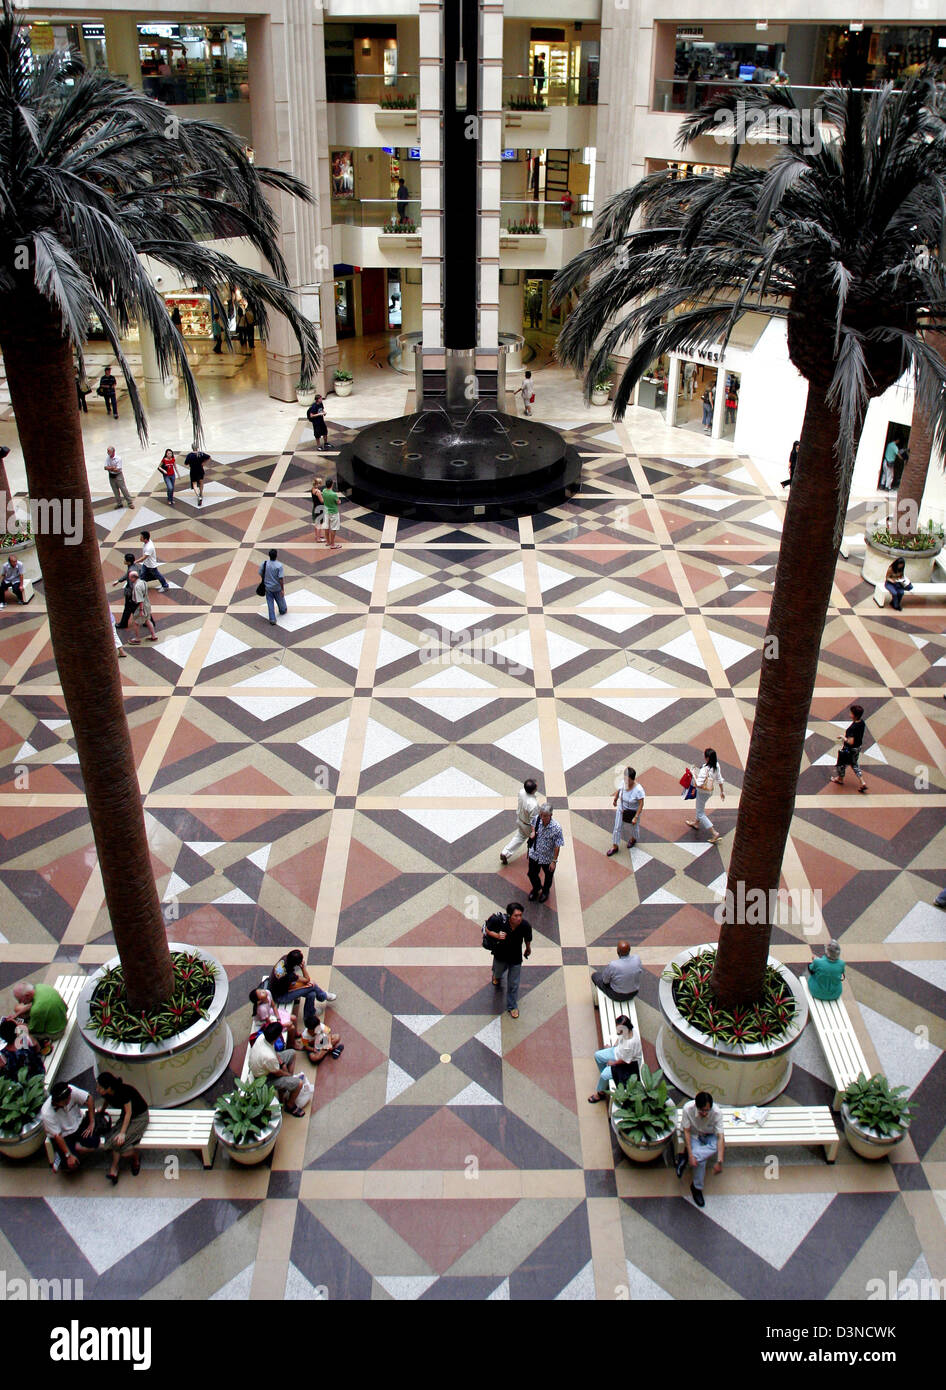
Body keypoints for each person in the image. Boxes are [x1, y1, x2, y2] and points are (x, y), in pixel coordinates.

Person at [96, 1072, 149, 1184]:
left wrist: (123, 1133)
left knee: (121, 1143)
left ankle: (134, 1157)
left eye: (100, 1087)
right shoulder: (106, 1093)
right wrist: (102, 1110)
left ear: (108, 1087)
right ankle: (114, 1168)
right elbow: (106, 1100)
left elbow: (128, 1113)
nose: (97, 1089)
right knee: (115, 1141)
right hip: (125, 1116)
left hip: (139, 1117)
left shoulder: (123, 1092)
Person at [675, 1090, 725, 1207]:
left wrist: (720, 1161)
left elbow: (720, 1137)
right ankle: (697, 1187)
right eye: (702, 1110)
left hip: (709, 1134)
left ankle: (686, 1156)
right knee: (701, 1161)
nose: (704, 1113)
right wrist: (693, 1155)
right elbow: (686, 1131)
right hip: (694, 1134)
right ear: (696, 1106)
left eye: (707, 1110)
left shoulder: (717, 1113)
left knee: (715, 1145)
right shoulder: (688, 1109)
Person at [268, 949, 336, 1033]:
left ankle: (309, 1015)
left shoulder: (284, 959)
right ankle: (323, 996)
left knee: (311, 994)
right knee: (312, 986)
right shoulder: (288, 975)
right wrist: (303, 967)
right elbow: (307, 979)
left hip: (280, 987)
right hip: (281, 996)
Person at [484, 902, 532, 1020]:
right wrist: (497, 935)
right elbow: (487, 929)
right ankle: (496, 976)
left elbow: (527, 938)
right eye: (516, 916)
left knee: (513, 983)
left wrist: (528, 949)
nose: (519, 918)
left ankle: (512, 1006)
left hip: (515, 957)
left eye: (520, 915)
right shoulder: (500, 922)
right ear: (510, 915)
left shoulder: (525, 925)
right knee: (498, 972)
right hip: (501, 955)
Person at [248, 1022, 306, 1116]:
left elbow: (274, 1053)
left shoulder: (262, 1037)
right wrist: (289, 1075)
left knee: (292, 1053)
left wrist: (282, 1063)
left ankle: (287, 1086)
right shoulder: (269, 1057)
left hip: (265, 1066)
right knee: (299, 1083)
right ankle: (290, 1105)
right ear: (277, 1036)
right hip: (264, 1080)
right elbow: (277, 1073)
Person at [41, 1081, 101, 1172]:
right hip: (63, 1136)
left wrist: (92, 1122)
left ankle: (77, 1148)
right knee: (71, 1166)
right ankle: (60, 1154)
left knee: (95, 1142)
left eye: (69, 1098)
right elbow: (58, 1136)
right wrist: (68, 1155)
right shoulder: (47, 1113)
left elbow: (89, 1099)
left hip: (78, 1125)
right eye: (66, 1101)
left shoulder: (72, 1091)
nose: (69, 1100)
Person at [588, 1015, 642, 1103]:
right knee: (598, 1056)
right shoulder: (626, 1031)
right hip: (618, 1053)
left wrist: (613, 1063)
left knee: (604, 1075)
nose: (617, 1030)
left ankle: (600, 1093)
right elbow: (619, 1039)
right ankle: (605, 1081)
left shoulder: (631, 1043)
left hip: (627, 1065)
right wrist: (613, 1046)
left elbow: (626, 1061)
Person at [685, 748, 725, 845]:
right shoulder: (717, 765)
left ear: (707, 758)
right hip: (709, 791)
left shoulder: (704, 770)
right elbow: (719, 779)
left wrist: (693, 773)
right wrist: (722, 791)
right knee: (700, 807)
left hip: (702, 792)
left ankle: (714, 833)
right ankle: (696, 823)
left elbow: (698, 784)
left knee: (700, 813)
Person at [12, 981, 67, 1050]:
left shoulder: (37, 1010)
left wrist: (18, 1024)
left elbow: (33, 1029)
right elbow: (32, 1005)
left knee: (21, 1033)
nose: (20, 1002)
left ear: (27, 995)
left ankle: (38, 1048)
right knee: (17, 1008)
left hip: (57, 1031)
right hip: (61, 1016)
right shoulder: (39, 986)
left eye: (20, 1000)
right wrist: (17, 1014)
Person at [527, 803, 564, 903]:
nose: (542, 818)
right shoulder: (537, 818)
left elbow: (558, 845)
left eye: (545, 816)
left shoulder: (556, 828)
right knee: (531, 874)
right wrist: (533, 831)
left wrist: (554, 861)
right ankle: (537, 887)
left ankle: (545, 891)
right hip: (534, 854)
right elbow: (532, 824)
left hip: (547, 857)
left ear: (551, 815)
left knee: (548, 876)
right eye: (541, 815)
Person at [500, 776, 541, 865]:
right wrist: (534, 832)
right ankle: (535, 857)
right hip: (528, 825)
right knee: (536, 840)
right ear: (534, 790)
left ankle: (505, 852)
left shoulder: (521, 792)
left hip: (520, 820)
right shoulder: (533, 805)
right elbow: (534, 821)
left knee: (519, 836)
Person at [830, 702, 868, 792]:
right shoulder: (862, 723)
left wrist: (843, 737)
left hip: (849, 749)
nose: (849, 714)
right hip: (857, 748)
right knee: (854, 764)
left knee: (841, 764)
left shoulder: (853, 728)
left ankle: (840, 779)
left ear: (854, 715)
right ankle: (862, 782)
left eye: (851, 713)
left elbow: (851, 742)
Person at [607, 766, 645, 854]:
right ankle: (615, 846)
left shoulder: (638, 790)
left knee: (634, 828)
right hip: (622, 808)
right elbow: (619, 790)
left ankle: (633, 839)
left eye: (628, 780)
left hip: (633, 811)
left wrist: (636, 816)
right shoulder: (623, 783)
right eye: (624, 779)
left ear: (632, 779)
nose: (626, 782)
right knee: (617, 827)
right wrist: (615, 799)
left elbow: (641, 804)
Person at [127, 569, 157, 644]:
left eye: (130, 577)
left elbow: (140, 600)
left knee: (136, 623)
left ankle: (137, 639)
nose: (129, 579)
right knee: (147, 620)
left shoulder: (137, 586)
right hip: (147, 604)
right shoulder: (143, 582)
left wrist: (141, 610)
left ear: (134, 577)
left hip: (140, 607)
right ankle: (153, 635)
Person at [260, 547, 287, 624]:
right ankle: (282, 610)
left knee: (270, 603)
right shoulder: (279, 566)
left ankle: (272, 619)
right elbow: (281, 578)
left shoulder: (265, 564)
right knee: (281, 604)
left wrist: (265, 580)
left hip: (268, 587)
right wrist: (282, 589)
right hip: (277, 587)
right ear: (276, 556)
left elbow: (260, 573)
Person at [115, 552, 137, 629]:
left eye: (125, 559)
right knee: (136, 608)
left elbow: (131, 585)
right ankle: (148, 621)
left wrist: (131, 595)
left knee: (128, 608)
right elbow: (127, 575)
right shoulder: (133, 567)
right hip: (135, 593)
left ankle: (123, 624)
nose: (124, 560)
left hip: (131, 594)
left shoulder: (131, 570)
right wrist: (119, 581)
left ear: (129, 561)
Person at [321, 478, 342, 550]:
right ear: (332, 484)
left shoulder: (323, 491)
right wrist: (339, 500)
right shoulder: (333, 494)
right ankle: (332, 544)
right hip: (334, 513)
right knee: (333, 528)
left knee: (327, 527)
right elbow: (338, 502)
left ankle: (328, 542)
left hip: (326, 512)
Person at [311, 475, 325, 544]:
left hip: (315, 507)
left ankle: (317, 535)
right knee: (319, 523)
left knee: (317, 522)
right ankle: (318, 538)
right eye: (320, 483)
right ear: (318, 483)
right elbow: (322, 501)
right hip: (320, 508)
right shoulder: (318, 492)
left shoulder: (313, 489)